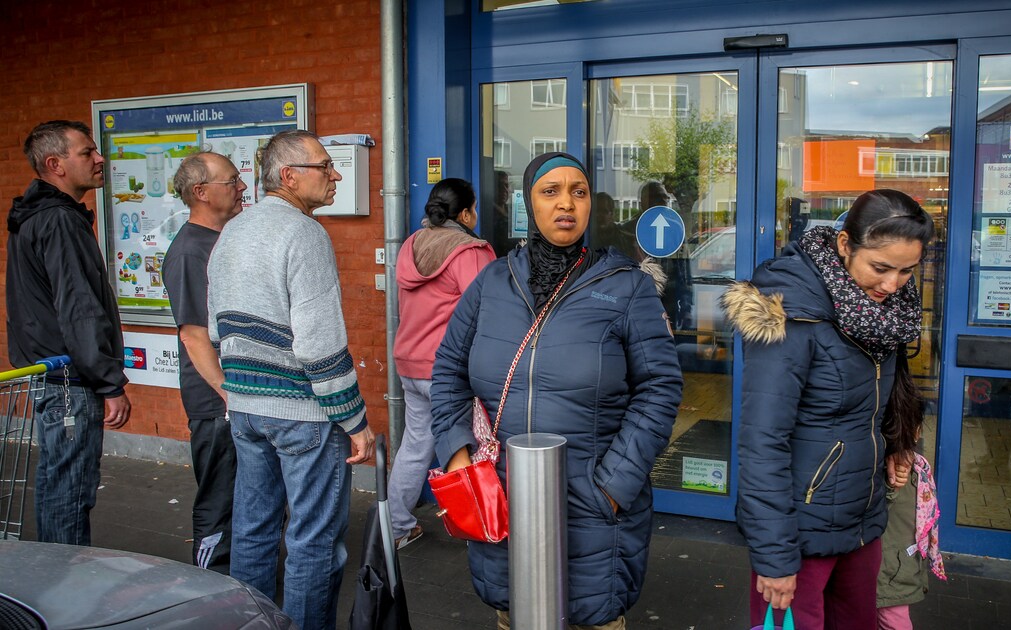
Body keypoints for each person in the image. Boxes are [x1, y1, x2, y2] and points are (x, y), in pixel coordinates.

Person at [431, 152, 682, 629]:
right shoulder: (491, 283)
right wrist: (456, 454)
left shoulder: (627, 287)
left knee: (593, 619)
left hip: (592, 506)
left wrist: (612, 486)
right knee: (516, 616)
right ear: (530, 203)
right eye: (551, 191)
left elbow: (660, 388)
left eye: (578, 192)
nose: (566, 203)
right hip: (504, 502)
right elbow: (447, 371)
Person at [722, 189, 933, 628]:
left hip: (862, 521)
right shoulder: (793, 313)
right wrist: (775, 557)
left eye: (907, 272)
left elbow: (879, 400)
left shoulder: (881, 312)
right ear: (843, 246)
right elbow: (763, 442)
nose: (893, 285)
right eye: (880, 268)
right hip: (800, 534)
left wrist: (896, 444)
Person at [207, 129, 375, 630]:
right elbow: (320, 345)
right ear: (288, 176)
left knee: (254, 531)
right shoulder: (305, 234)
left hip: (245, 408)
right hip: (303, 414)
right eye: (325, 167)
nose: (336, 175)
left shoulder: (232, 231)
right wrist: (356, 422)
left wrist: (237, 392)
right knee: (313, 541)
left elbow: (218, 327)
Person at [6, 120, 131, 546]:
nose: (100, 159)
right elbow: (80, 307)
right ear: (55, 164)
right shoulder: (59, 220)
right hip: (68, 382)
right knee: (70, 490)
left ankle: (52, 581)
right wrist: (109, 382)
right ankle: (65, 593)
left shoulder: (37, 216)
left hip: (53, 375)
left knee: (58, 482)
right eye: (87, 152)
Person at [386, 177, 495, 551]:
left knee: (415, 445)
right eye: (474, 208)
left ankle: (396, 527)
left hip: (409, 363)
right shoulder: (469, 251)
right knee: (469, 446)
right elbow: (489, 309)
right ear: (465, 213)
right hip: (449, 371)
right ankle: (477, 525)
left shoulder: (411, 245)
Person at [162, 152, 245, 573]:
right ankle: (210, 582)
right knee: (219, 497)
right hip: (217, 404)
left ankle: (246, 580)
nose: (242, 187)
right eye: (231, 181)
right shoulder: (190, 252)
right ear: (201, 192)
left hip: (238, 396)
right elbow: (193, 334)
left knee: (245, 495)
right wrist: (228, 394)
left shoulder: (223, 239)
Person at [875, 427, 945, 630]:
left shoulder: (918, 468)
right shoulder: (896, 471)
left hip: (898, 569)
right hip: (889, 574)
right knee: (894, 620)